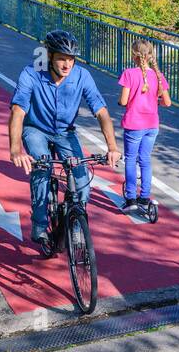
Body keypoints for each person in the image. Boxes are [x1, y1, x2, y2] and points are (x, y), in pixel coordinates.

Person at [8, 30, 120, 251]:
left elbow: (102, 113)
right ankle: (39, 225)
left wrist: (113, 148)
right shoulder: (31, 73)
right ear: (49, 56)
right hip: (35, 129)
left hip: (65, 132)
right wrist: (15, 150)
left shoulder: (82, 76)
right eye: (61, 58)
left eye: (71, 59)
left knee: (81, 180)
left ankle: (76, 223)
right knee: (41, 166)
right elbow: (18, 111)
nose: (67, 64)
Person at [117, 39, 171, 214]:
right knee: (145, 159)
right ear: (150, 56)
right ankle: (145, 196)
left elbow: (124, 100)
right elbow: (167, 103)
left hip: (134, 124)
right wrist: (154, 101)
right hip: (152, 124)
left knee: (131, 160)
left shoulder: (129, 74)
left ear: (134, 56)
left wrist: (122, 101)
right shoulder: (158, 75)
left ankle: (131, 197)